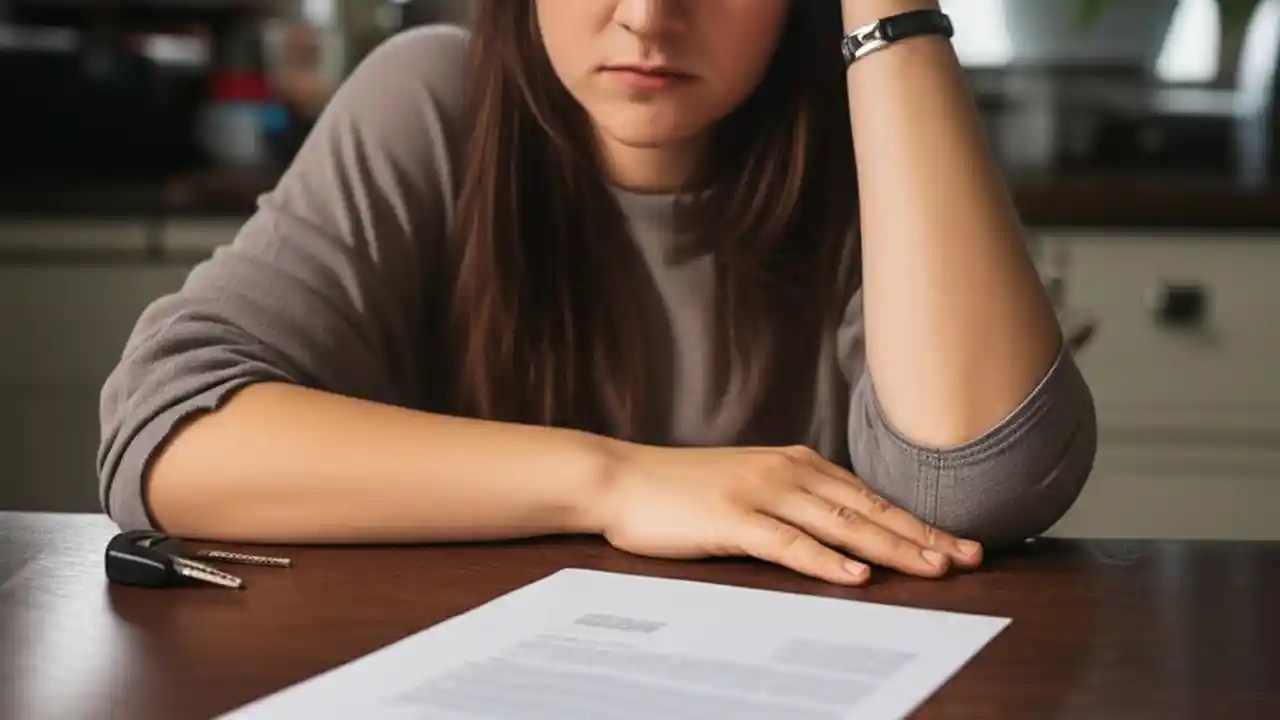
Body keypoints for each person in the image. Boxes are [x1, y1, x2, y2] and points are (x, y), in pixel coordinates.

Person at [98, 0, 1096, 586]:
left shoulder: (879, 139)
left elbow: (976, 482)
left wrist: (892, 21)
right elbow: (168, 433)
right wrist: (616, 481)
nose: (647, 15)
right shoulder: (435, 100)